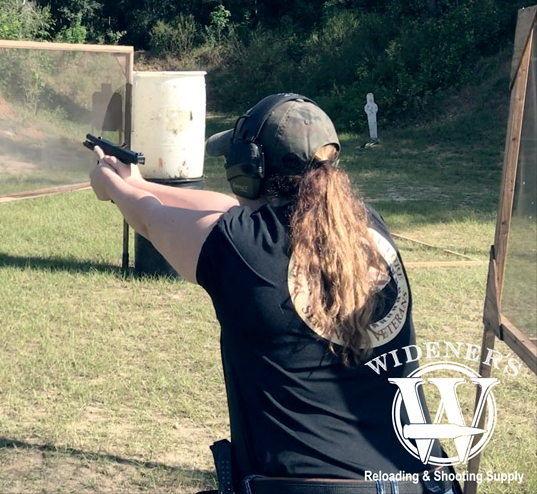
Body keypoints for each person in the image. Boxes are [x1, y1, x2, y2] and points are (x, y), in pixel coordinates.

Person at [88, 94, 458, 494]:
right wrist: (140, 183)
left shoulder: (241, 246)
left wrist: (112, 186)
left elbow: (148, 217)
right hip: (426, 483)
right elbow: (226, 210)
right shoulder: (366, 226)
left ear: (249, 167)